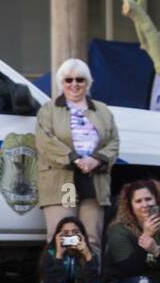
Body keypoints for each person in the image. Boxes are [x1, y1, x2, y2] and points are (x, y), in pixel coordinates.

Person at [35, 58, 120, 249]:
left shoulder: (102, 110)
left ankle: (90, 278)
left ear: (87, 82)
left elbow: (114, 142)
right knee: (63, 237)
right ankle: (60, 279)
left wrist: (97, 160)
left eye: (79, 79)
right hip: (64, 182)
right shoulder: (49, 110)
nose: (74, 84)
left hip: (93, 182)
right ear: (61, 83)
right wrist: (74, 159)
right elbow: (45, 141)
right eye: (68, 80)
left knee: (92, 240)